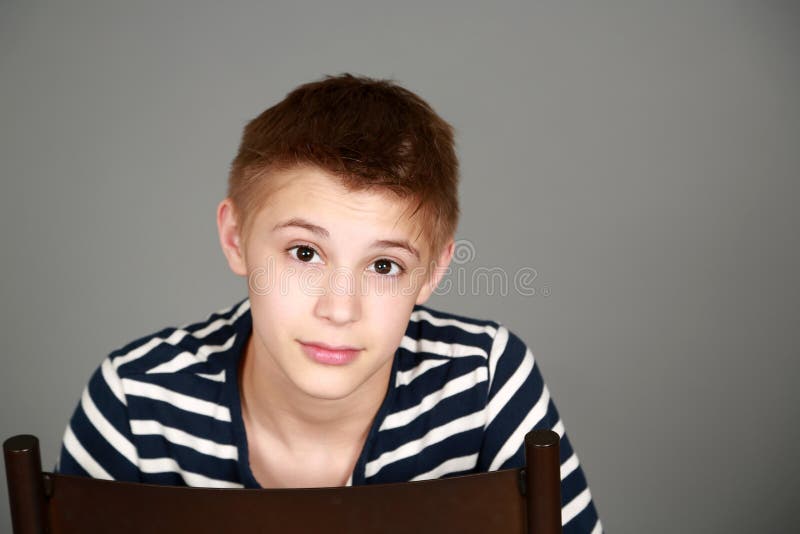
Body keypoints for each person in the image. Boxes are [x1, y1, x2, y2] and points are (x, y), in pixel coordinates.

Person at [57, 74, 602, 532]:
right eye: (304, 252)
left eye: (384, 265)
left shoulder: (485, 381)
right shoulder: (135, 400)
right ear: (235, 238)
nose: (340, 309)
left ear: (432, 271)